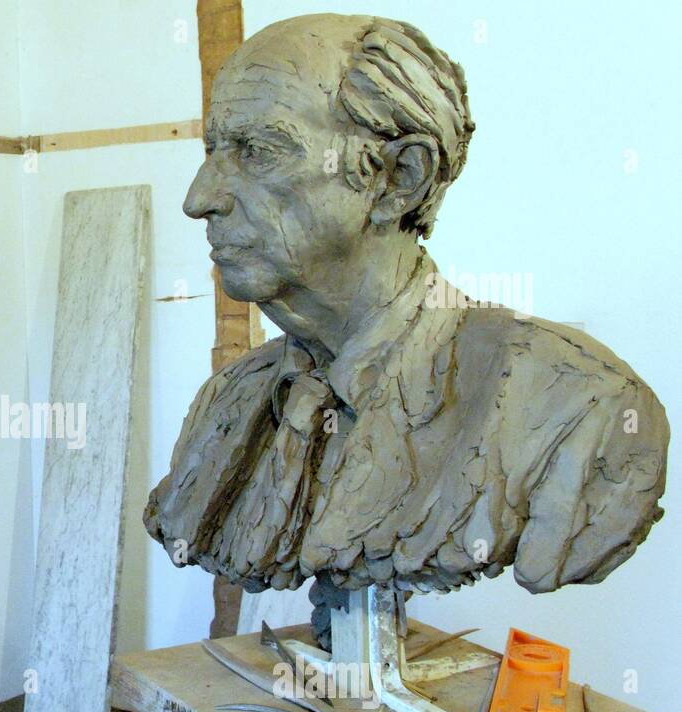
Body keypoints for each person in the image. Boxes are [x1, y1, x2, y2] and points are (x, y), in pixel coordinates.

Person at [145, 15, 667, 610]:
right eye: (213, 149)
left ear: (400, 178)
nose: (199, 198)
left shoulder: (578, 407)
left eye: (259, 151)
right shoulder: (228, 401)